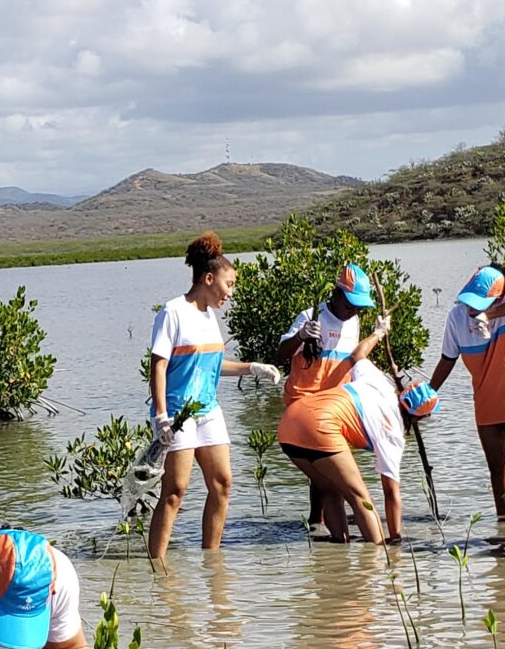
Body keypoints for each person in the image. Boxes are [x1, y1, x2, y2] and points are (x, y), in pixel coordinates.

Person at [147, 232, 280, 559]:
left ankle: (212, 560)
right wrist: (161, 417)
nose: (230, 293)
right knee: (175, 491)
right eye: (229, 284)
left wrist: (252, 368)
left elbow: (214, 366)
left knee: (222, 484)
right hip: (177, 414)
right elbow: (158, 366)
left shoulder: (209, 317)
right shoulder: (172, 312)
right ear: (209, 278)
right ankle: (157, 564)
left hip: (208, 410)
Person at [276, 315, 438, 543]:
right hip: (321, 426)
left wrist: (378, 333)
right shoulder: (393, 433)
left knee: (331, 488)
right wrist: (395, 538)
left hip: (290, 422)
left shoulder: (379, 381)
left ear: (403, 392)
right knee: (360, 498)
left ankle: (340, 548)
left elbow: (357, 355)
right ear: (419, 418)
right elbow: (391, 494)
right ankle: (380, 556)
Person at [428, 264, 505, 538]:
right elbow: (447, 359)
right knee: (497, 464)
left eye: (478, 302)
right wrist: (430, 393)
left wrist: (488, 314)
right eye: (470, 301)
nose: (471, 307)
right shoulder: (456, 318)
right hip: (485, 393)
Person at [276, 264, 376, 530]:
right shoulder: (311, 315)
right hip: (303, 403)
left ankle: (320, 529)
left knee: (326, 476)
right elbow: (280, 354)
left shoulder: (354, 321)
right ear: (336, 295)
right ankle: (321, 524)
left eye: (359, 306)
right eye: (350, 304)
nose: (353, 310)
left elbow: (350, 363)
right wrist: (300, 336)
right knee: (328, 477)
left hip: (334, 405)